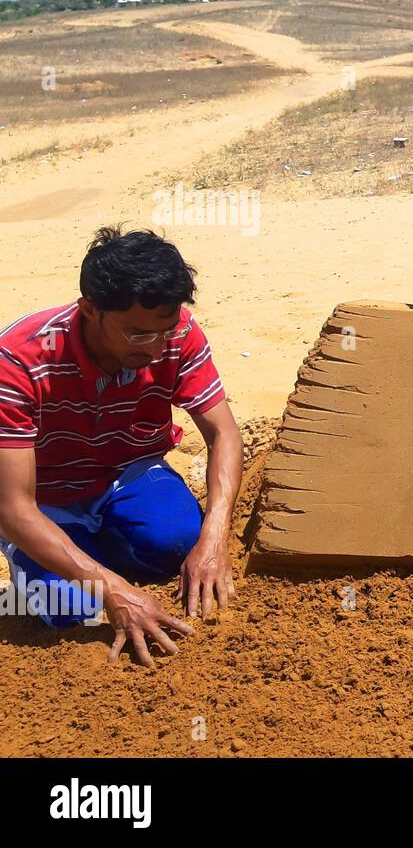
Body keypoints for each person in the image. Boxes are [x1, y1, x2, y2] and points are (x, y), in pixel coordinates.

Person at [0, 226, 242, 666]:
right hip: (44, 498)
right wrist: (113, 590)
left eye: (164, 332)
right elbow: (12, 507)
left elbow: (223, 433)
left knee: (177, 542)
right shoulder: (18, 361)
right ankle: (51, 552)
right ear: (89, 309)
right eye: (136, 334)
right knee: (66, 609)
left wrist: (214, 538)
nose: (154, 347)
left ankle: (86, 549)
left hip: (127, 471)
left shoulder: (177, 333)